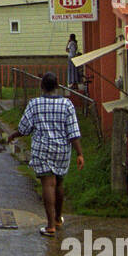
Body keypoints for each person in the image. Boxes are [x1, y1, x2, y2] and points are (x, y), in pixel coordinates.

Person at [17, 72, 84, 237]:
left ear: (42, 87)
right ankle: (58, 219)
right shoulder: (67, 104)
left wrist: (13, 135)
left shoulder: (35, 104)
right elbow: (73, 132)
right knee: (59, 183)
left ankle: (50, 226)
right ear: (57, 86)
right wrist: (80, 154)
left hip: (42, 149)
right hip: (62, 150)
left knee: (48, 184)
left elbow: (24, 128)